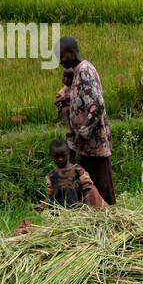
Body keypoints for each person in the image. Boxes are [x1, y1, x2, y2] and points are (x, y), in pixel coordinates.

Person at [56, 36, 116, 205]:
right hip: (82, 145)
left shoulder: (85, 71)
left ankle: (109, 223)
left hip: (93, 144)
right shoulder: (75, 72)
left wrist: (84, 131)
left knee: (101, 188)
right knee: (86, 188)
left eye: (62, 56)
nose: (60, 61)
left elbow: (97, 105)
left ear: (73, 52)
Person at [37, 138, 106, 211]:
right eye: (56, 157)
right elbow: (50, 195)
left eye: (63, 156)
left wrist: (88, 206)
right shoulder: (51, 175)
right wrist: (43, 204)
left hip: (75, 209)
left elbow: (87, 188)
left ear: (68, 153)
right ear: (51, 156)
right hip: (57, 211)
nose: (60, 159)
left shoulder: (77, 170)